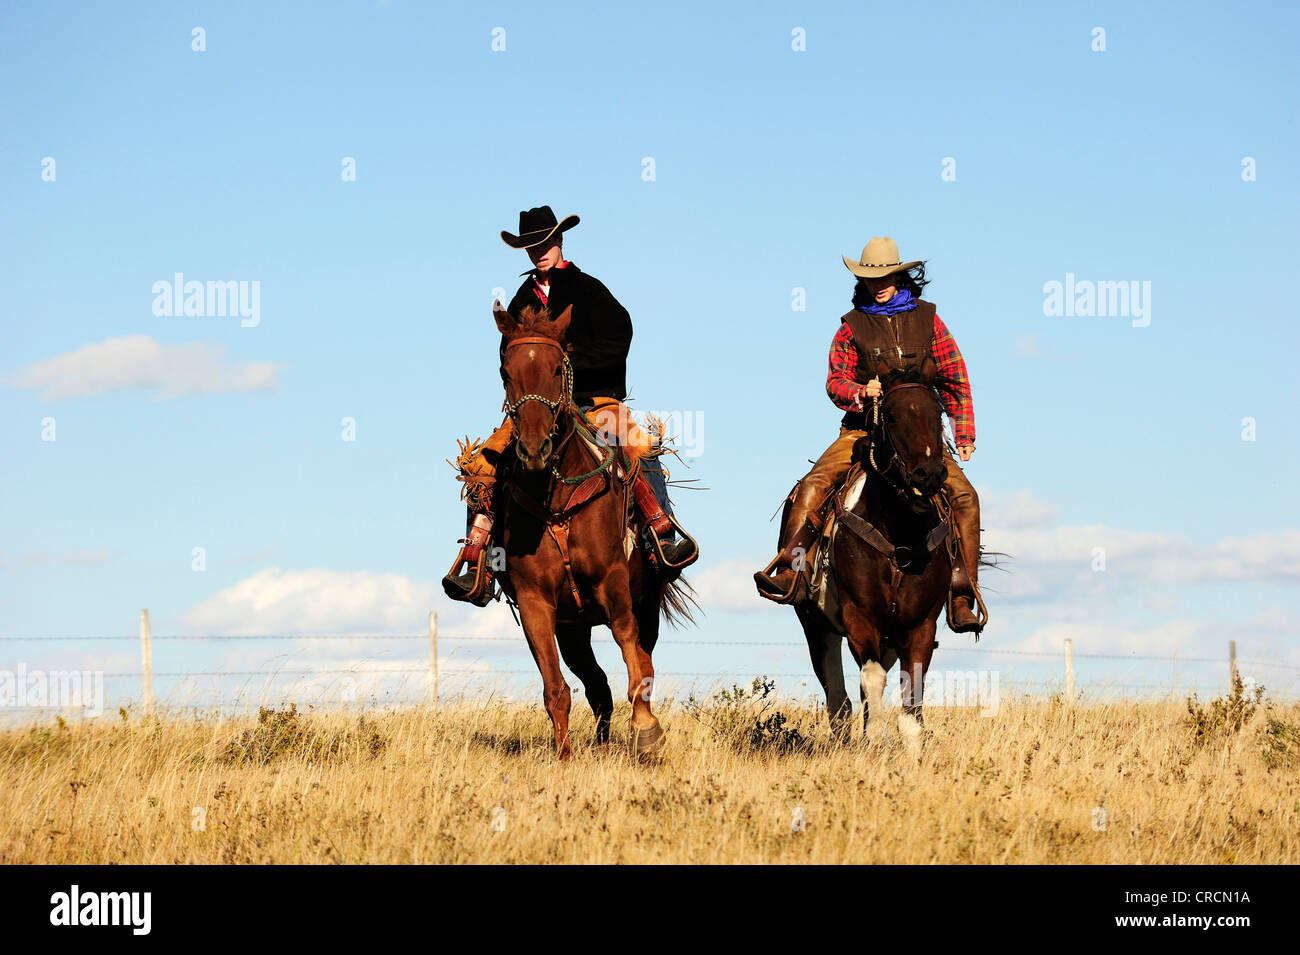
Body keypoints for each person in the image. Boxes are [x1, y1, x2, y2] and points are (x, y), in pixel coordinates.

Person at [443, 206, 698, 603]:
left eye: (545, 242)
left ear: (559, 240)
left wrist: (567, 364)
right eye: (531, 245)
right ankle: (480, 562)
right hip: (539, 408)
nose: (539, 250)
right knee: (483, 464)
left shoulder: (589, 289)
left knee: (638, 447)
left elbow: (619, 337)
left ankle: (661, 533)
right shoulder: (520, 301)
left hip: (595, 402)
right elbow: (506, 358)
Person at [753, 237, 984, 632]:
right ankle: (791, 571)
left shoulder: (930, 321)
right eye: (869, 278)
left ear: (899, 275)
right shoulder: (851, 327)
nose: (878, 285)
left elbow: (955, 379)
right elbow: (835, 382)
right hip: (862, 431)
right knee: (814, 485)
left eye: (885, 277)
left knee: (965, 497)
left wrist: (963, 433)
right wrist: (860, 393)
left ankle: (962, 593)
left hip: (918, 440)